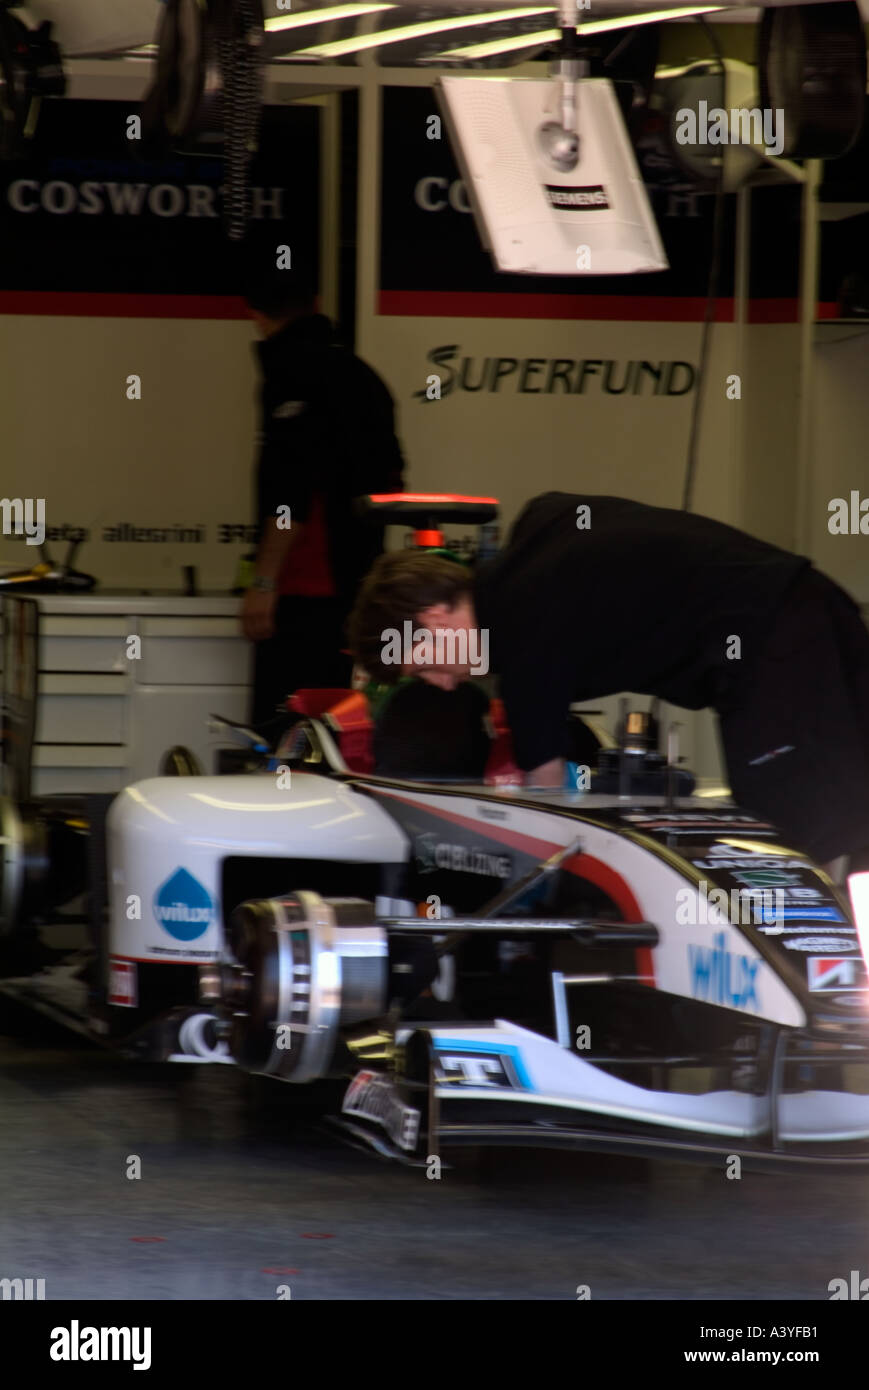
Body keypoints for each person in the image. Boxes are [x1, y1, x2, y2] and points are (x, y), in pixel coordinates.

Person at [347, 490, 869, 871]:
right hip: (819, 604)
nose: (440, 684)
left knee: (781, 854)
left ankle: (814, 1011)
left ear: (435, 619)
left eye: (422, 664)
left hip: (778, 642)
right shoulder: (536, 543)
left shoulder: (521, 631)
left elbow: (546, 811)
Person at [241, 270, 405, 725]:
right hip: (359, 586)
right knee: (342, 724)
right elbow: (391, 481)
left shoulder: (289, 375)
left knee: (284, 728)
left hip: (306, 589)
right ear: (313, 303)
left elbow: (289, 494)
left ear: (255, 315)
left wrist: (264, 583)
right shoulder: (364, 377)